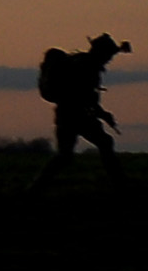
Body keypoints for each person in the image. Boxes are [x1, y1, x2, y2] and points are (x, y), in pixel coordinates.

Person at [30, 33, 131, 190]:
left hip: (68, 114)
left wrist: (101, 113)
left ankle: (36, 188)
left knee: (66, 155)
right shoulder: (88, 67)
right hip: (75, 115)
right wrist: (102, 114)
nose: (110, 59)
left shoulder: (81, 62)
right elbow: (84, 96)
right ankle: (121, 184)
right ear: (102, 53)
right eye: (109, 54)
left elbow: (85, 96)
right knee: (100, 144)